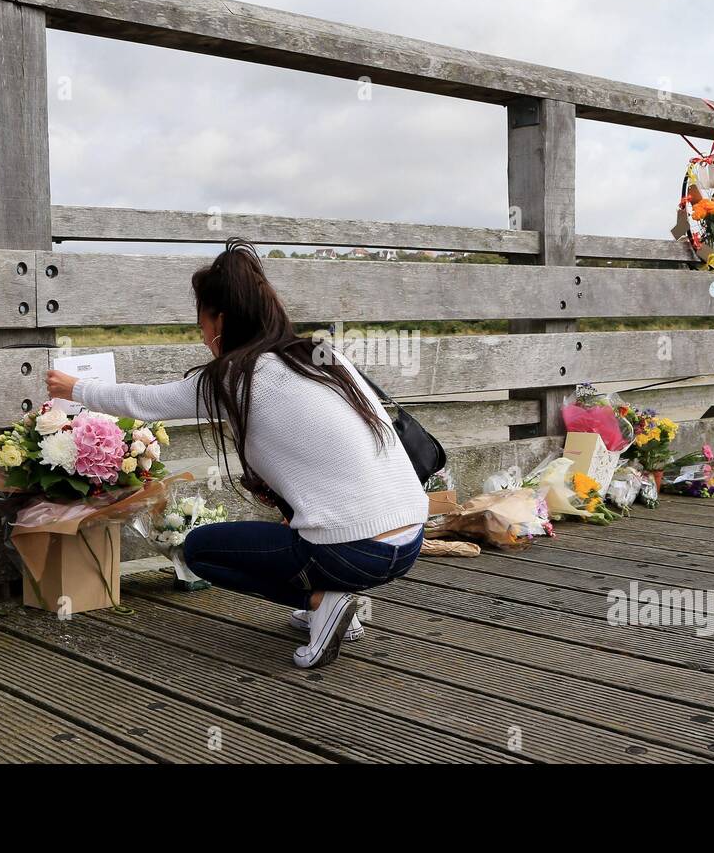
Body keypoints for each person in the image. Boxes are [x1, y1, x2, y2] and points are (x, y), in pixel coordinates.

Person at [45, 239, 429, 669]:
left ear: (220, 321)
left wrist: (73, 388)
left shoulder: (235, 377)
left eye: (201, 323)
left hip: (351, 552)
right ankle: (331, 608)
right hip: (410, 540)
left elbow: (144, 402)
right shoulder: (324, 357)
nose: (202, 334)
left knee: (200, 551)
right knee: (299, 534)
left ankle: (323, 598)